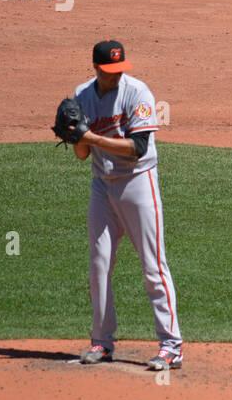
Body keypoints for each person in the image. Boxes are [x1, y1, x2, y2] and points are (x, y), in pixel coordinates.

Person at [69, 41, 184, 371]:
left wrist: (90, 137)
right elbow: (82, 155)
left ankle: (171, 346)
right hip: (102, 187)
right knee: (99, 263)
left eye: (119, 69)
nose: (115, 75)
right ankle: (102, 342)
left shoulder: (138, 93)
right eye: (109, 71)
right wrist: (77, 137)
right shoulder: (83, 96)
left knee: (153, 265)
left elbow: (137, 146)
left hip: (138, 183)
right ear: (96, 69)